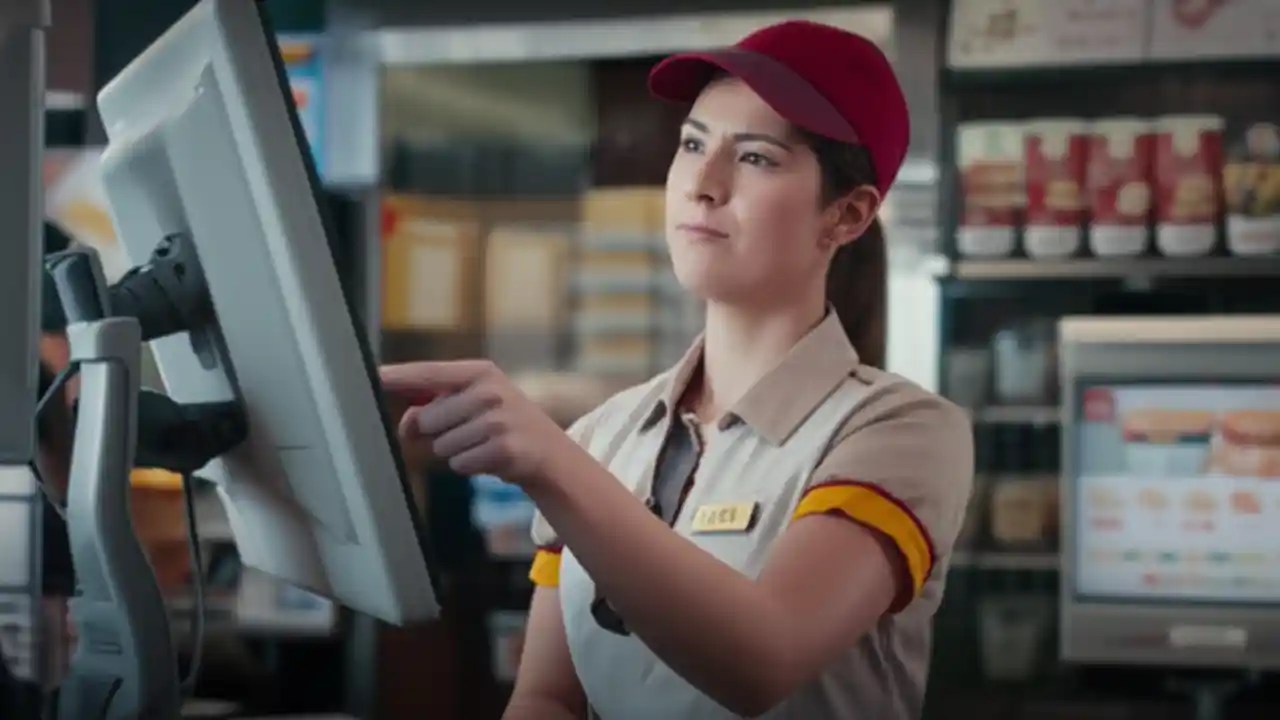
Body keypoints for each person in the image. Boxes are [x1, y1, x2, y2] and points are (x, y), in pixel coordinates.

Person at [381, 20, 973, 720]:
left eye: (756, 158)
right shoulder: (604, 436)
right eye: (693, 144)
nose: (703, 184)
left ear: (846, 215)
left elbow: (765, 660)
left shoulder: (900, 431)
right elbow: (548, 698)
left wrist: (548, 463)